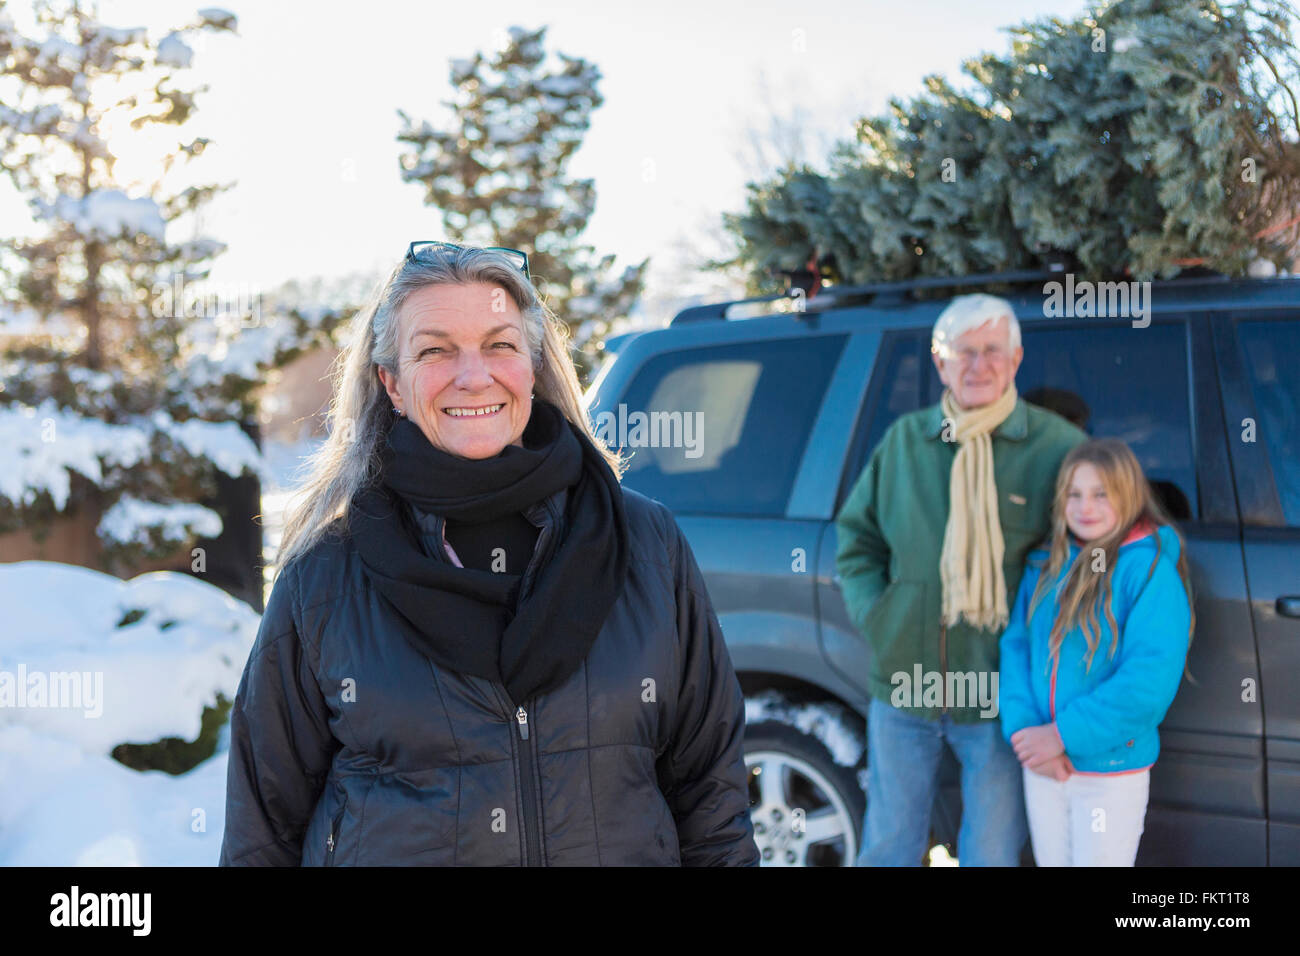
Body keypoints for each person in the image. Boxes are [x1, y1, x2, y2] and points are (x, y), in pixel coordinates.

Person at [219, 242, 758, 867]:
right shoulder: (325, 576)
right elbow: (263, 829)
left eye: (499, 344)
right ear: (392, 383)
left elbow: (711, 796)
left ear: (532, 363)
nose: (473, 375)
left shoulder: (646, 544)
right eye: (435, 350)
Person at [835, 293, 1087, 866]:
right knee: (890, 844)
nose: (978, 365)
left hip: (1001, 692)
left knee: (991, 852)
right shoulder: (906, 442)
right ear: (940, 362)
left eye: (992, 350)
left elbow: (1085, 567)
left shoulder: (1058, 449)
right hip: (905, 684)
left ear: (1016, 358)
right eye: (963, 352)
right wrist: (882, 618)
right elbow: (857, 542)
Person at [999, 439, 1194, 866]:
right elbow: (1015, 648)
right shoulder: (1044, 566)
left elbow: (1147, 681)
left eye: (1101, 494)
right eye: (1075, 494)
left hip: (1109, 773)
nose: (1085, 506)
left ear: (1128, 495)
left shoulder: (1146, 572)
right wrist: (1025, 733)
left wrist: (1062, 735)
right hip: (1044, 767)